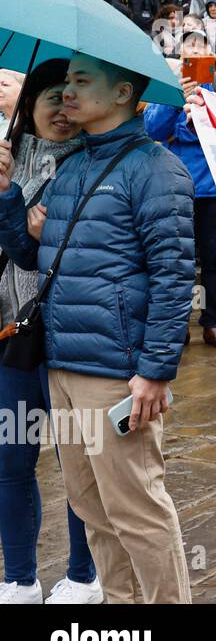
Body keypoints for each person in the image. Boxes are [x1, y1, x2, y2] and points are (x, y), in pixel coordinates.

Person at [0, 54, 194, 604]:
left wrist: (154, 372)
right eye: (64, 83)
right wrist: (8, 195)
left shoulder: (156, 169)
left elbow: (175, 277)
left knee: (137, 510)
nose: (67, 93)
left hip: (115, 373)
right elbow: (31, 259)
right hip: (60, 362)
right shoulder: (73, 167)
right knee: (91, 506)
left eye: (81, 82)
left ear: (123, 92)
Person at [0, 60, 101, 605]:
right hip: (10, 335)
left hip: (65, 339)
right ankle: (19, 578)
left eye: (72, 99)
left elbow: (35, 255)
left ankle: (85, 576)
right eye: (52, 98)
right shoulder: (8, 159)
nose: (63, 110)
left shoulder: (94, 167)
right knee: (10, 459)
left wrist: (8, 204)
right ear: (29, 103)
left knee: (77, 465)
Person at [144, 32, 216, 350]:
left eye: (202, 46)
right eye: (189, 46)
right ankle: (177, 324)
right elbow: (154, 128)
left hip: (213, 188)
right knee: (177, 259)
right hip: (175, 186)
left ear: (211, 53)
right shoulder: (167, 83)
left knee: (214, 259)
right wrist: (176, 99)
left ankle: (212, 323)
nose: (195, 51)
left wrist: (203, 106)